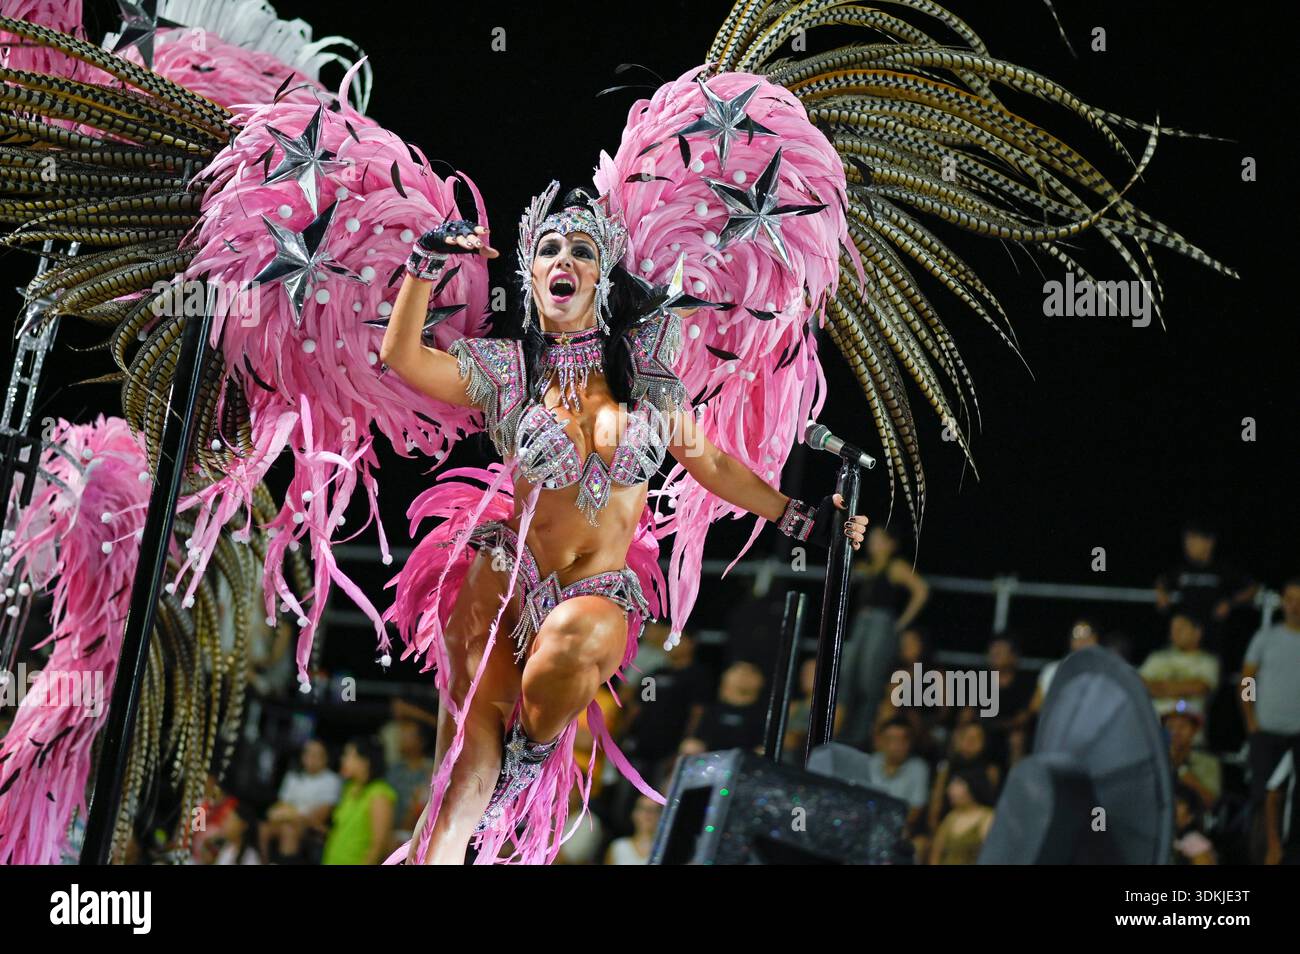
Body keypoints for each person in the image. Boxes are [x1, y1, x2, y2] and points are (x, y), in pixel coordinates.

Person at [383, 189, 869, 865]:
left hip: (597, 590)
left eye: (582, 251)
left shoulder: (643, 372)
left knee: (566, 650)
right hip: (506, 576)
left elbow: (713, 463)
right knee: (468, 764)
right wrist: (421, 266)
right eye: (549, 248)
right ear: (529, 272)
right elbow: (403, 357)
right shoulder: (506, 368)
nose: (564, 259)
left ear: (602, 276)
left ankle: (532, 753)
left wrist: (800, 519)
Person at [838, 526, 929, 747]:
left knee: (870, 680)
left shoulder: (895, 566)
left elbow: (921, 589)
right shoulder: (868, 566)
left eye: (880, 540)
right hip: (862, 624)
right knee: (848, 676)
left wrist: (900, 623)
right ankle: (842, 732)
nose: (873, 543)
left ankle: (859, 737)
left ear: (891, 544)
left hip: (880, 623)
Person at [1240, 577, 1300, 862]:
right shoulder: (1265, 638)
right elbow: (1248, 679)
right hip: (1265, 732)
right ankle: (1261, 856)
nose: (1295, 606)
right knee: (1262, 797)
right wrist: (1251, 720)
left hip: (1298, 736)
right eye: (1290, 599)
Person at [1155, 522, 1256, 657]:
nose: (1188, 546)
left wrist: (1230, 602)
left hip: (1212, 638)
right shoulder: (1182, 568)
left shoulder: (1222, 568)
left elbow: (1252, 587)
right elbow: (1162, 580)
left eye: (1193, 540)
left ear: (1209, 542)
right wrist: (1161, 593)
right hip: (1185, 637)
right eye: (1186, 541)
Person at [321, 737, 397, 866]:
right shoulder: (349, 788)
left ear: (365, 762)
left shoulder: (379, 794)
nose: (343, 760)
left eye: (349, 755)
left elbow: (378, 845)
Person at [1139, 612, 1219, 728]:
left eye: (1181, 629)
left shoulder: (1208, 662)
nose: (1174, 633)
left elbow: (1200, 687)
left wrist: (1157, 688)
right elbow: (1139, 686)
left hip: (1191, 735)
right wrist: (1181, 688)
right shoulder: (1156, 658)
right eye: (1172, 629)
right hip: (1154, 730)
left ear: (1197, 633)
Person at [927, 722, 1001, 835]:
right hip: (946, 825)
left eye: (976, 738)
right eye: (966, 736)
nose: (970, 741)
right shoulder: (946, 768)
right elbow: (936, 803)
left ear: (985, 743)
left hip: (977, 826)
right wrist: (935, 830)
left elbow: (989, 805)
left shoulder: (990, 771)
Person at [680, 661, 767, 755]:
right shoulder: (713, 710)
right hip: (713, 761)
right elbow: (697, 739)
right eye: (738, 671)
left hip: (747, 762)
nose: (743, 676)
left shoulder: (763, 713)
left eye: (750, 672)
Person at [864, 718, 930, 836]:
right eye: (891, 739)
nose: (896, 745)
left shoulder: (919, 768)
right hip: (867, 822)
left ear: (910, 743)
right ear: (880, 741)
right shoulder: (871, 762)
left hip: (897, 828)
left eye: (902, 740)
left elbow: (915, 810)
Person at [1029, 619, 1099, 715]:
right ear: (1070, 641)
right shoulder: (1053, 670)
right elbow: (1035, 706)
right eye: (1077, 635)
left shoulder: (1105, 671)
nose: (1083, 641)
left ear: (1096, 639)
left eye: (1088, 635)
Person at [385, 719, 435, 850]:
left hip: (417, 837)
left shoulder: (432, 770)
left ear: (422, 741)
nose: (401, 739)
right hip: (389, 833)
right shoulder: (395, 769)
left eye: (407, 736)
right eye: (401, 736)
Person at [928, 770, 995, 865]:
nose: (950, 790)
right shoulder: (951, 817)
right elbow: (935, 854)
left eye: (957, 784)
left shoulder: (987, 816)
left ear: (972, 786)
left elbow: (992, 855)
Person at [1163, 709, 1221, 810]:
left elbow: (1212, 804)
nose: (1175, 732)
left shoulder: (1208, 762)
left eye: (1182, 727)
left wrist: (1187, 777)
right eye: (1170, 727)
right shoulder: (1157, 762)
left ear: (1194, 730)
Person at [606, 795, 662, 865]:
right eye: (643, 808)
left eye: (654, 810)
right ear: (634, 814)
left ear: (661, 816)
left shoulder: (664, 850)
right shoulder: (618, 847)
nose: (648, 814)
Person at [1171, 783, 1216, 865]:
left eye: (1179, 802)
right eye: (1172, 800)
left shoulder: (1193, 841)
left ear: (1190, 817)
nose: (1173, 806)